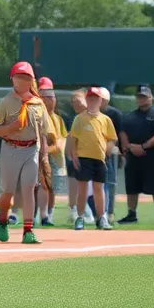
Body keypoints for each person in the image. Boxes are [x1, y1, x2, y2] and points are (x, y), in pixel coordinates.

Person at [0, 62, 51, 244]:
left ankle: (28, 231)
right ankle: (2, 220)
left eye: (26, 78)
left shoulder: (37, 103)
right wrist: (11, 128)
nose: (22, 81)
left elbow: (44, 131)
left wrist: (44, 155)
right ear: (12, 79)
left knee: (28, 189)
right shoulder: (6, 102)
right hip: (11, 149)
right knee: (8, 191)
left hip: (31, 149)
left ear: (32, 81)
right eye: (18, 77)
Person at [67, 86, 116, 231]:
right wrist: (74, 156)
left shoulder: (105, 119)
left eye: (96, 98)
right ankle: (80, 217)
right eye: (90, 98)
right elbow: (73, 138)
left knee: (99, 189)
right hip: (83, 158)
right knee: (82, 189)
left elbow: (112, 138)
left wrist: (107, 150)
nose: (93, 100)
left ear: (101, 101)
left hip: (99, 159)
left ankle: (101, 218)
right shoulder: (80, 119)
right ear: (87, 100)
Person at [118, 85, 154, 225]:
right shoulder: (130, 116)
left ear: (150, 97)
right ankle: (131, 214)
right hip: (133, 156)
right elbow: (122, 132)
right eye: (139, 96)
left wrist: (143, 146)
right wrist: (129, 147)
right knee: (132, 187)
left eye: (144, 96)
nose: (141, 99)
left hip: (152, 157)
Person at [37, 77, 66, 227]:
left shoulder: (57, 119)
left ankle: (49, 214)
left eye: (51, 96)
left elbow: (60, 142)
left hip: (53, 159)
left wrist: (48, 150)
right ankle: (35, 214)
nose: (49, 100)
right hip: (38, 157)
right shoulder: (37, 115)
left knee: (51, 187)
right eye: (44, 96)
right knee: (38, 186)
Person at [101, 90, 124, 220]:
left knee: (111, 182)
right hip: (95, 151)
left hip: (112, 152)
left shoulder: (115, 114)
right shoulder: (90, 113)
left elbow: (120, 134)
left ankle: (109, 212)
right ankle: (98, 211)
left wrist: (122, 152)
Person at [66, 88, 89, 222]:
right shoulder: (74, 119)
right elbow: (70, 138)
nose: (75, 103)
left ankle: (87, 211)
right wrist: (70, 155)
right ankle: (73, 211)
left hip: (90, 158)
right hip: (76, 158)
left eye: (78, 100)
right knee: (74, 186)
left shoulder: (95, 117)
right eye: (73, 101)